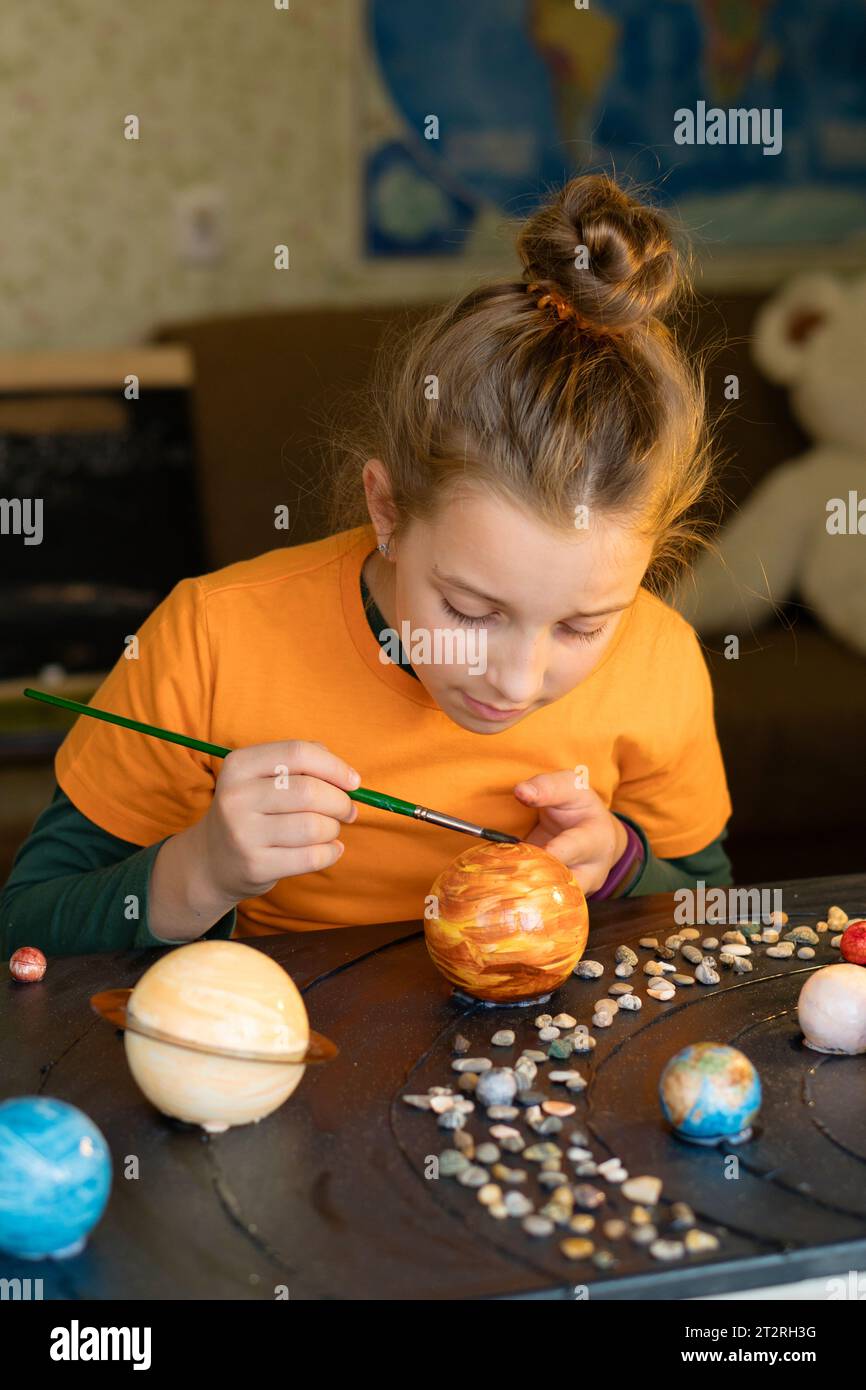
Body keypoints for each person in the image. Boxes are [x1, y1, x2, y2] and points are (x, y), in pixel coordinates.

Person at [0, 173, 732, 956]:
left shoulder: (659, 659)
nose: (517, 683)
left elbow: (715, 909)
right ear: (386, 512)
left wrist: (625, 867)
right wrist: (201, 871)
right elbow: (24, 927)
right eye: (472, 612)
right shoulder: (209, 639)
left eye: (585, 626)